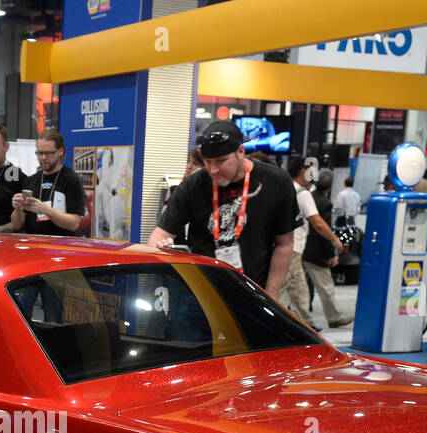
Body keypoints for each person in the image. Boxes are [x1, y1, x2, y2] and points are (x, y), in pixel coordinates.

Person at [150, 120, 299, 299]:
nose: (213, 170)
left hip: (252, 292)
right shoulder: (194, 184)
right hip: (200, 293)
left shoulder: (276, 181)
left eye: (221, 161)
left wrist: (271, 294)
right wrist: (160, 249)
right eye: (207, 162)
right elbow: (159, 234)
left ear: (241, 151)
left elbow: (284, 244)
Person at [283, 157, 347, 331]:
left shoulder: (284, 187)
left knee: (292, 287)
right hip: (294, 247)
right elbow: (317, 222)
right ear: (302, 172)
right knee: (294, 288)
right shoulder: (303, 194)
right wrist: (335, 239)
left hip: (281, 246)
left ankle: (303, 322)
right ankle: (304, 325)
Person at [301, 170, 352, 329]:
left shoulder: (308, 196)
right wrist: (331, 253)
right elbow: (323, 230)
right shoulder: (324, 203)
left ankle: (297, 318)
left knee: (297, 286)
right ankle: (334, 317)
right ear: (330, 186)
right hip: (316, 251)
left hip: (301, 247)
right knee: (325, 286)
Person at [12, 130, 85, 237]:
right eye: (40, 153)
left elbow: (74, 224)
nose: (43, 158)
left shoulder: (71, 180)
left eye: (48, 153)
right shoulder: (30, 181)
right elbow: (16, 225)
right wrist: (18, 208)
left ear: (60, 151)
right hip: (33, 242)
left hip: (60, 243)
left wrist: (45, 210)